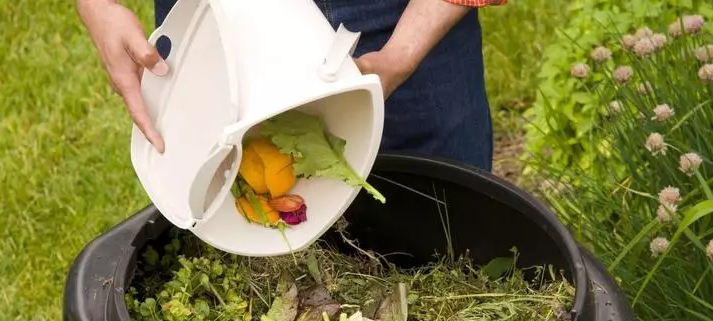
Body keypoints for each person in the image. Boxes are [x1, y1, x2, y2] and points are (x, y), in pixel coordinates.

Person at [76, 0, 505, 171]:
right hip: (217, 15)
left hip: (391, 13)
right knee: (234, 229)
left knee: (446, 241)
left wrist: (400, 55)